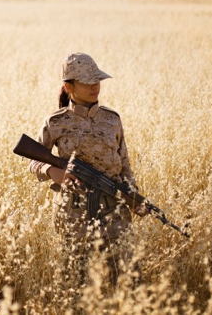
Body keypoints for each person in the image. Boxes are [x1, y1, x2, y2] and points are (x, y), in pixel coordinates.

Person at [28, 52, 147, 285]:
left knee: (127, 278)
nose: (95, 87)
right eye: (87, 82)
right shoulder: (55, 122)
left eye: (97, 81)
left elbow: (124, 164)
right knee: (76, 281)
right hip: (74, 212)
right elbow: (33, 159)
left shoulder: (112, 119)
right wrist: (53, 172)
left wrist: (133, 195)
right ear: (68, 86)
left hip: (114, 209)